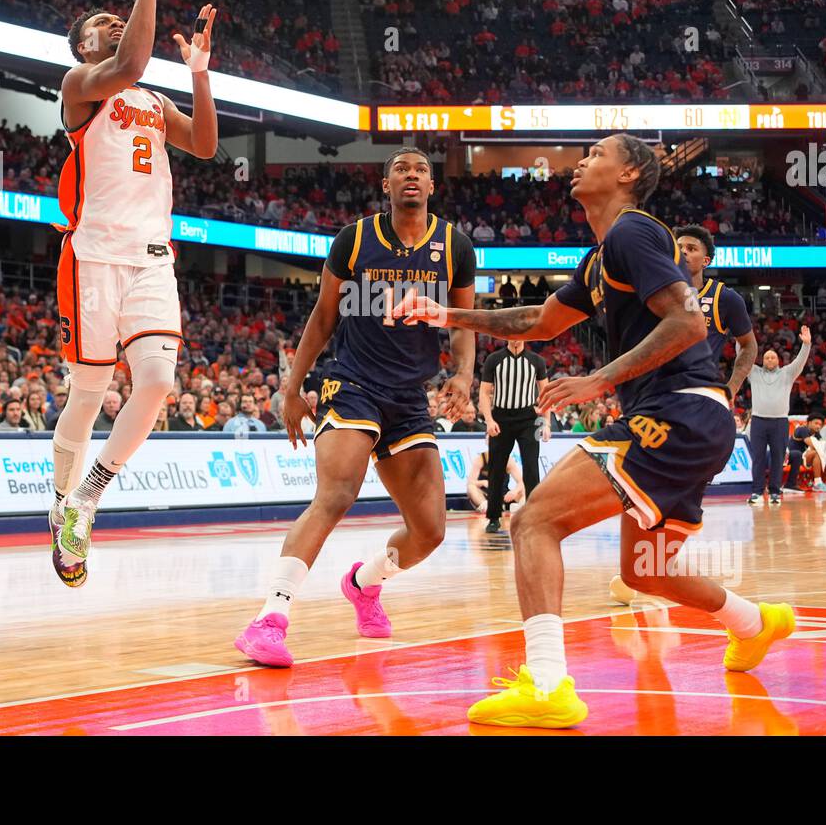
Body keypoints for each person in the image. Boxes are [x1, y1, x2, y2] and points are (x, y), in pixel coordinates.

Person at [396, 133, 793, 729]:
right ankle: (756, 623)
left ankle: (548, 684)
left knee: (534, 521)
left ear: (630, 172)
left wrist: (598, 380)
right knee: (646, 570)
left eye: (597, 155)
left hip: (674, 413)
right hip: (694, 419)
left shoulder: (633, 231)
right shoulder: (600, 256)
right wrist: (447, 314)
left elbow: (687, 323)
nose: (581, 162)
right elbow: (536, 320)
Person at [233, 147, 477, 668]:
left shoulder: (455, 245)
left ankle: (365, 584)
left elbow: (462, 322)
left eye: (420, 170)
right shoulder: (356, 238)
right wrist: (292, 387)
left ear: (432, 186)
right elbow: (323, 316)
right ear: (386, 185)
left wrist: (462, 374)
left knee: (431, 530)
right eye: (400, 170)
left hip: (410, 396)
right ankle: (269, 619)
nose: (410, 176)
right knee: (336, 494)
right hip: (354, 383)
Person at [49, 0, 218, 589]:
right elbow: (130, 64)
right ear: (80, 47)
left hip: (150, 256)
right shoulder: (79, 87)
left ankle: (86, 497)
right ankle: (59, 502)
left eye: (121, 21)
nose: (115, 27)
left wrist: (201, 74)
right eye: (102, 27)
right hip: (93, 253)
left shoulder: (149, 97)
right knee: (89, 388)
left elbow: (204, 146)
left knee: (155, 382)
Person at [674, 224, 757, 400]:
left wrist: (732, 388)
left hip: (699, 396)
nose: (683, 252)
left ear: (706, 261)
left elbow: (749, 345)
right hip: (659, 394)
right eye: (678, 247)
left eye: (691, 248)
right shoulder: (657, 294)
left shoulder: (725, 298)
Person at [478, 339, 550, 534]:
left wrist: (547, 422)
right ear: (506, 336)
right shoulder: (494, 359)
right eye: (511, 334)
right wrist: (489, 420)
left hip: (529, 419)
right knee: (496, 469)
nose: (515, 337)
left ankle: (534, 516)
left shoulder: (537, 360)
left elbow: (545, 393)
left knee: (531, 468)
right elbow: (484, 393)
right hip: (501, 418)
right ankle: (493, 517)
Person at [747, 329, 812, 506]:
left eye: (773, 357)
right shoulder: (753, 373)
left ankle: (775, 492)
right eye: (767, 357)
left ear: (779, 360)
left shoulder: (787, 373)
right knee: (758, 458)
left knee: (778, 458)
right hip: (759, 421)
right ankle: (757, 492)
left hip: (780, 422)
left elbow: (800, 361)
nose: (769, 360)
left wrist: (806, 344)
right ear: (762, 360)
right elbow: (741, 357)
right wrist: (740, 339)